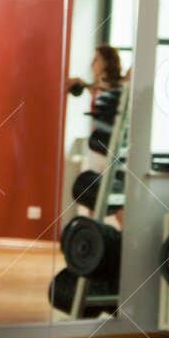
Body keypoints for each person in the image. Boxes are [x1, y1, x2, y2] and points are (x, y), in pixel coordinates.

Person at [67, 45, 126, 217]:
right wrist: (82, 84)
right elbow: (95, 87)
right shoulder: (97, 86)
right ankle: (93, 235)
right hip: (95, 148)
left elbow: (108, 86)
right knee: (93, 195)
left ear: (107, 62)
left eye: (96, 59)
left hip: (108, 147)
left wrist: (86, 84)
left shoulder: (116, 86)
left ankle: (127, 240)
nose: (92, 63)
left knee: (112, 198)